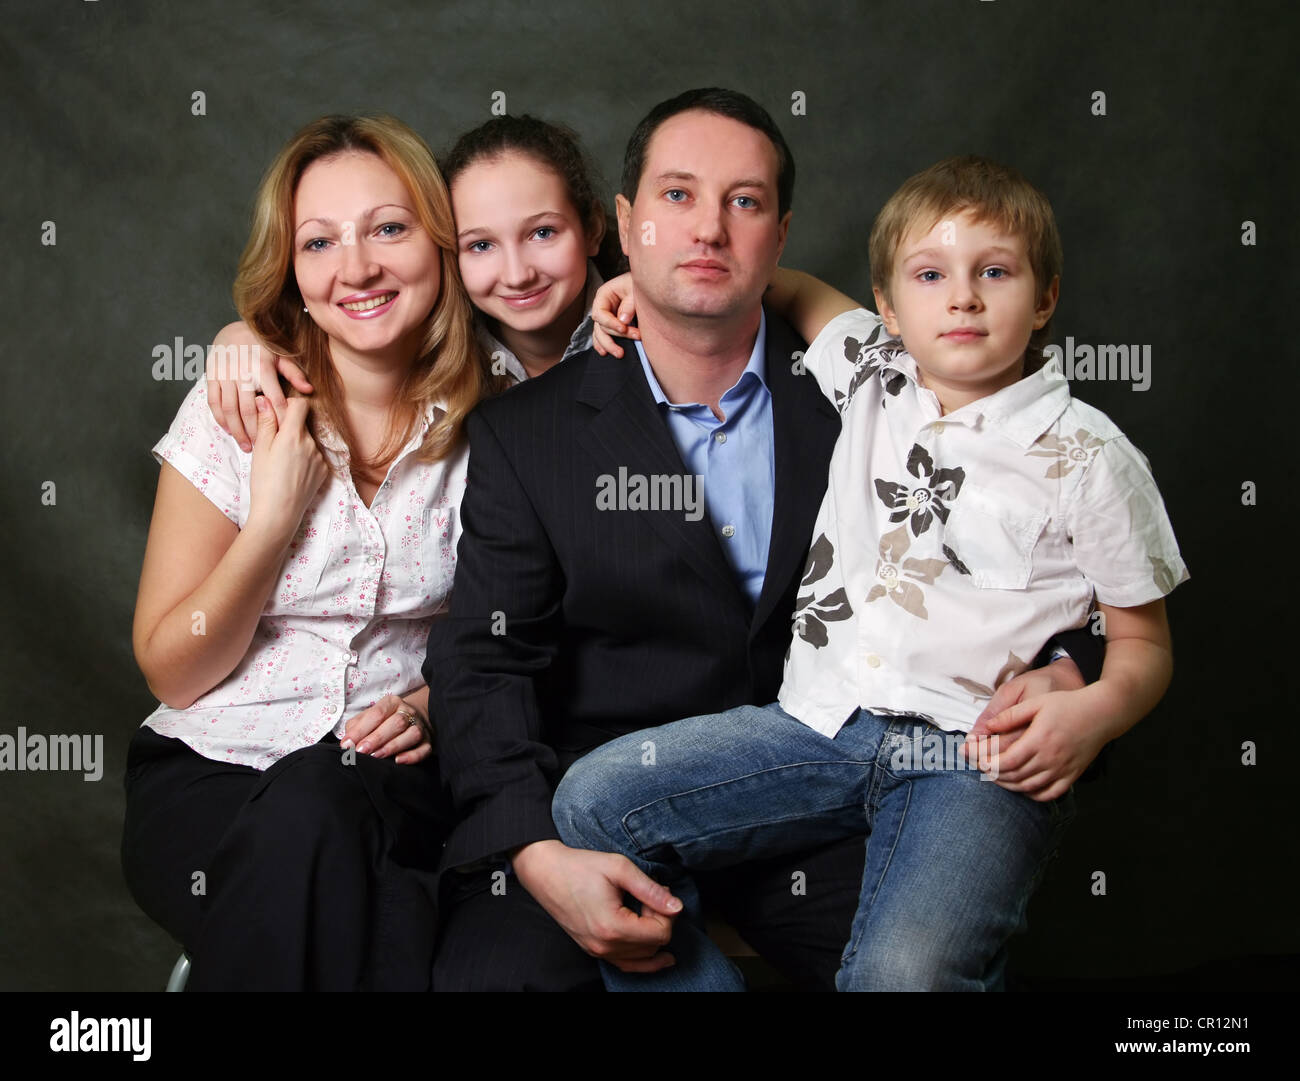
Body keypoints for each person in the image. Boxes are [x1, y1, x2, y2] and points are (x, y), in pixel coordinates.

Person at [421, 91, 1100, 991]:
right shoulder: (526, 434)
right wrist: (537, 850)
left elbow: (1050, 554)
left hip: (831, 801)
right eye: (676, 196)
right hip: (612, 808)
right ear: (623, 227)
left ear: (779, 236)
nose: (708, 228)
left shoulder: (875, 396)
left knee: (933, 970)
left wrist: (1068, 667)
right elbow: (481, 663)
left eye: (742, 202)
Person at [553, 155, 1188, 990]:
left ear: (1045, 298)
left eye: (994, 271)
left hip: (975, 756)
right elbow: (786, 290)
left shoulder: (1091, 456)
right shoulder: (870, 374)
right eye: (930, 275)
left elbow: (1144, 644)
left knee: (903, 974)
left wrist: (1098, 712)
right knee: (596, 800)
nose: (962, 296)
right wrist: (652, 287)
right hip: (821, 723)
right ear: (888, 306)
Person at [122, 113, 489, 990]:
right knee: (341, 853)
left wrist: (435, 701)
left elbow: (526, 632)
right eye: (317, 242)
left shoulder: (505, 412)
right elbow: (173, 674)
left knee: (343, 838)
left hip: (397, 776)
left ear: (442, 242)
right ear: (291, 268)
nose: (354, 268)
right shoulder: (237, 404)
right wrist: (272, 519)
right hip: (212, 777)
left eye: (388, 229)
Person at [205, 114, 618, 443]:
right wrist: (241, 337)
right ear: (450, 250)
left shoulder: (648, 322)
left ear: (593, 228)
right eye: (480, 245)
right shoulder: (449, 351)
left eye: (543, 233)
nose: (516, 274)